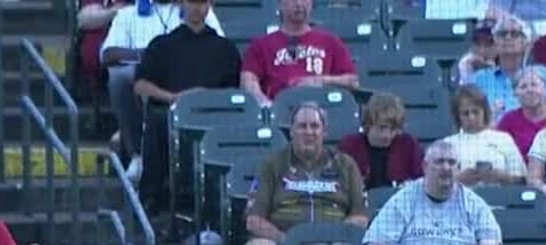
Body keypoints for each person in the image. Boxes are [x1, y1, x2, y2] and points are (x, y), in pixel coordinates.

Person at [132, 0, 241, 214]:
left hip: (214, 117)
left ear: (210, 5)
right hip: (172, 113)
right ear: (183, 3)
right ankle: (152, 197)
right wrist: (174, 98)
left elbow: (234, 92)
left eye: (202, 2)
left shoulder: (225, 49)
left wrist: (206, 99)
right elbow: (140, 85)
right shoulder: (162, 45)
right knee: (157, 120)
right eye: (192, 1)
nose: (197, 8)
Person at [103, 0, 227, 181]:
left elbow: (220, 46)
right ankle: (137, 156)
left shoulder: (193, 7)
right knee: (119, 77)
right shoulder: (127, 14)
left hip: (187, 77)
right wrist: (153, 55)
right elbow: (108, 54)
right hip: (150, 83)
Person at [239, 102, 367, 245]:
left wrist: (336, 237)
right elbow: (254, 220)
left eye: (314, 126)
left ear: (324, 131)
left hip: (335, 242)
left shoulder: (345, 164)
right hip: (283, 241)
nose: (309, 132)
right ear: (291, 131)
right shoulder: (272, 165)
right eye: (302, 126)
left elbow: (361, 217)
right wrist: (287, 240)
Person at [362, 139, 502, 245]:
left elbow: (492, 243)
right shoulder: (403, 200)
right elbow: (374, 244)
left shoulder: (473, 203)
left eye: (451, 162)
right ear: (425, 166)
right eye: (439, 162)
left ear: (458, 169)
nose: (446, 168)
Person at [239, 0, 358, 106]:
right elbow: (247, 82)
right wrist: (267, 106)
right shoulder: (260, 45)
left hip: (321, 110)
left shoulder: (330, 42)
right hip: (279, 112)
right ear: (279, 4)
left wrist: (319, 81)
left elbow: (352, 81)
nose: (299, 3)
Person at [469, 15, 546, 118]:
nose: (508, 38)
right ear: (495, 42)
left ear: (526, 42)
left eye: (515, 34)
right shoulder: (479, 79)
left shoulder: (542, 74)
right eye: (502, 34)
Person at [336, 91, 424, 190]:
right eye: (382, 127)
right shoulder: (349, 146)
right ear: (369, 123)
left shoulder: (409, 145)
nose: (387, 135)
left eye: (393, 129)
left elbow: (421, 181)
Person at [442, 85, 525, 187]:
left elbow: (521, 180)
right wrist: (459, 179)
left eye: (475, 112)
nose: (471, 117)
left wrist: (502, 177)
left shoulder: (503, 139)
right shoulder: (448, 144)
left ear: (484, 112)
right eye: (466, 113)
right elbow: (438, 182)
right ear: (458, 116)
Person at [495, 67, 546, 157]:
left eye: (534, 85)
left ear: (544, 89)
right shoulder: (509, 120)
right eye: (523, 87)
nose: (530, 90)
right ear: (515, 93)